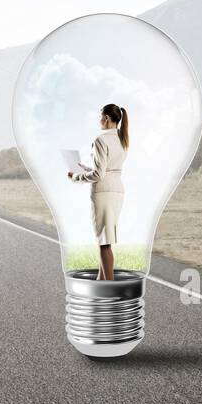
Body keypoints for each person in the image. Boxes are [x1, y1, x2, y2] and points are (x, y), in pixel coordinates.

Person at [67, 103, 128, 281]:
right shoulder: (123, 140)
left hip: (103, 192)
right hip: (117, 190)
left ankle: (109, 288)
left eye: (100, 117)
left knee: (104, 243)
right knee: (106, 240)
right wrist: (85, 168)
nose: (99, 120)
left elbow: (99, 174)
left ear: (107, 118)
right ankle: (101, 282)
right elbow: (107, 169)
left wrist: (76, 177)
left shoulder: (101, 140)